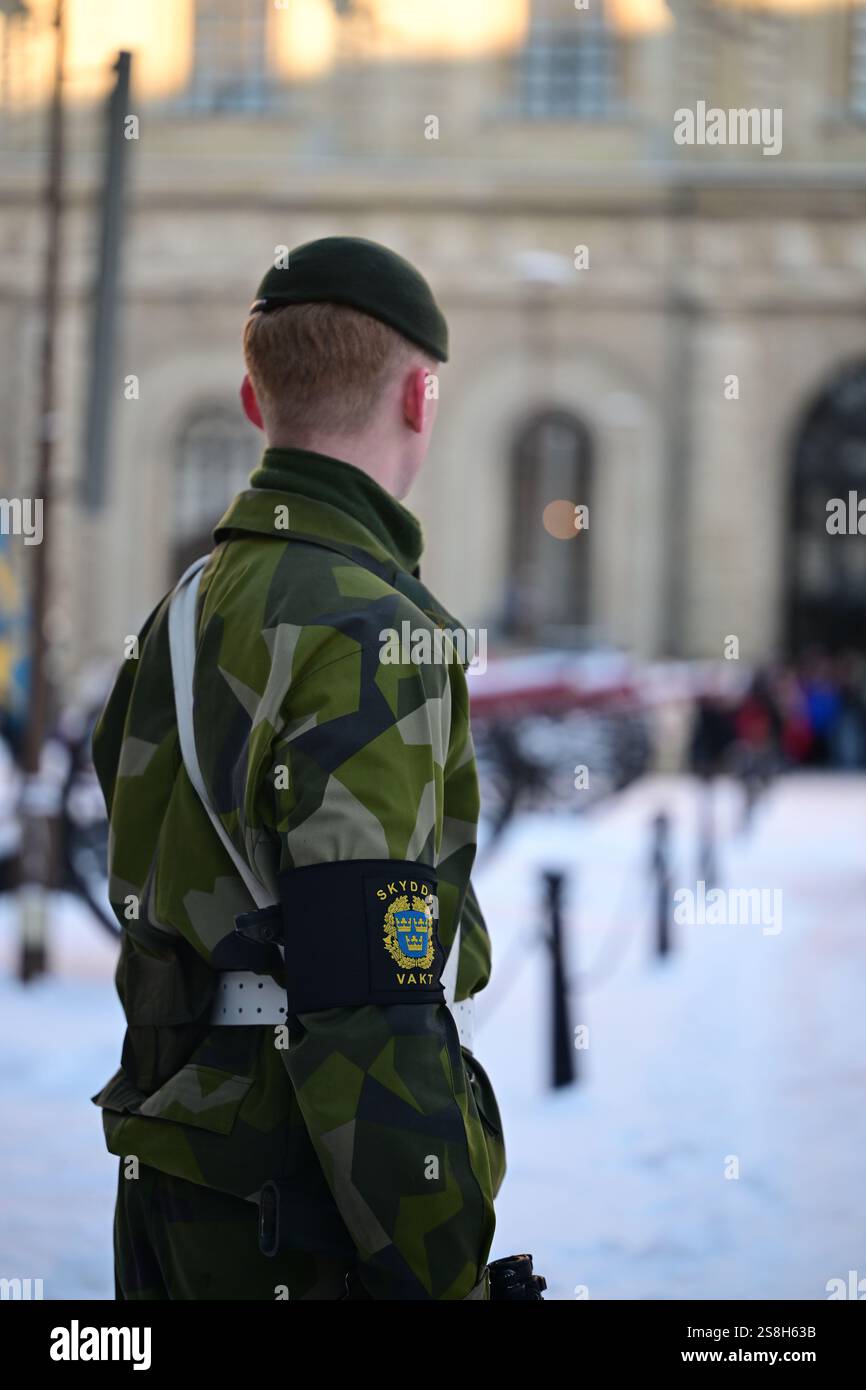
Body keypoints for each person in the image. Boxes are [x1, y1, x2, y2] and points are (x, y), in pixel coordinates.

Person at [91, 236, 505, 1301]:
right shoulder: (376, 631)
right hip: (306, 1206)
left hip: (172, 1172)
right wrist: (439, 1262)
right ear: (421, 395)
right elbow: (369, 1000)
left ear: (249, 396)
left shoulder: (178, 612)